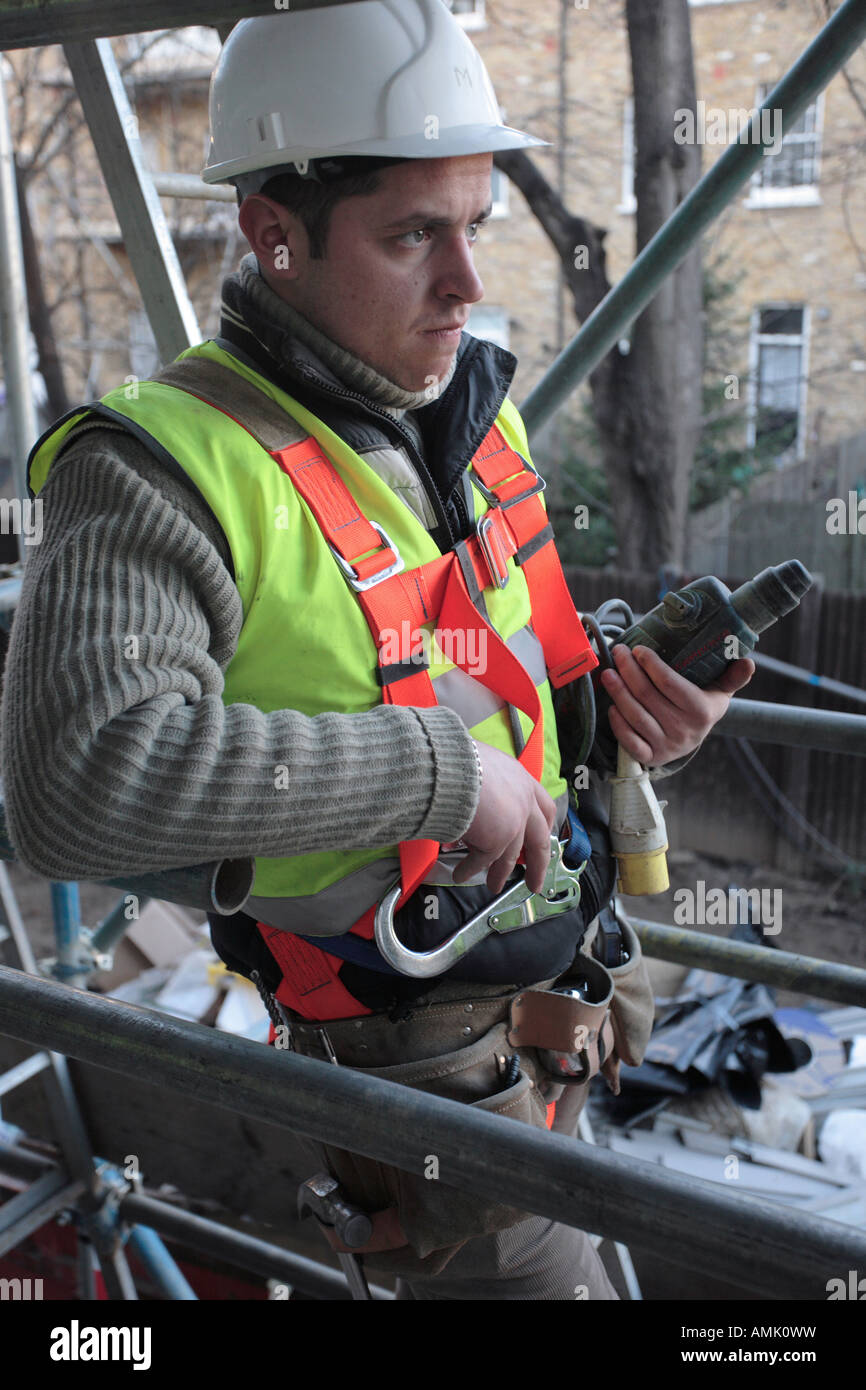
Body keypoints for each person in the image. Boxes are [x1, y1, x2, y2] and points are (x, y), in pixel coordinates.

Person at [0, 0, 753, 1299]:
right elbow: (79, 786)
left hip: (567, 979)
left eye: (474, 226)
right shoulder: (159, 469)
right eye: (413, 235)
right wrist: (443, 779)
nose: (466, 280)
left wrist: (618, 715)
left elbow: (456, 660)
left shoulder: (454, 408)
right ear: (271, 233)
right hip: (420, 1064)